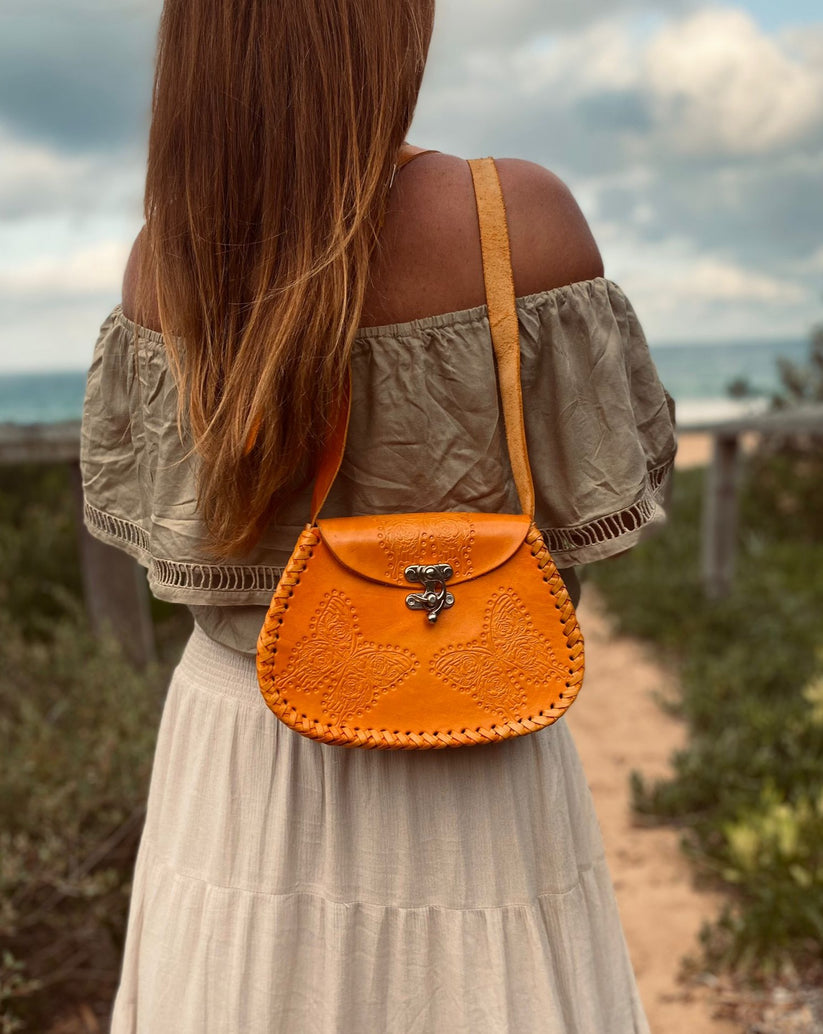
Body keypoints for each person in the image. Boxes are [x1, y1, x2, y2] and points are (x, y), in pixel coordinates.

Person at [81, 0, 676, 1030]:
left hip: (244, 755)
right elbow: (623, 481)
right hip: (473, 721)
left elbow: (161, 543)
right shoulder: (516, 219)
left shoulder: (164, 264)